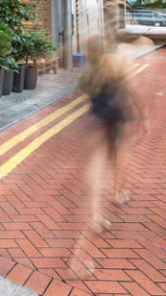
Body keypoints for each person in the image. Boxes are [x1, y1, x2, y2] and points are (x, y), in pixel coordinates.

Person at [70, 34, 147, 275]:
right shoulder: (116, 61)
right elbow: (133, 89)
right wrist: (143, 115)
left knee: (94, 181)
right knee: (96, 184)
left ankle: (97, 215)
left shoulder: (89, 71)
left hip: (98, 124)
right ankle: (77, 261)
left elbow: (84, 94)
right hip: (112, 124)